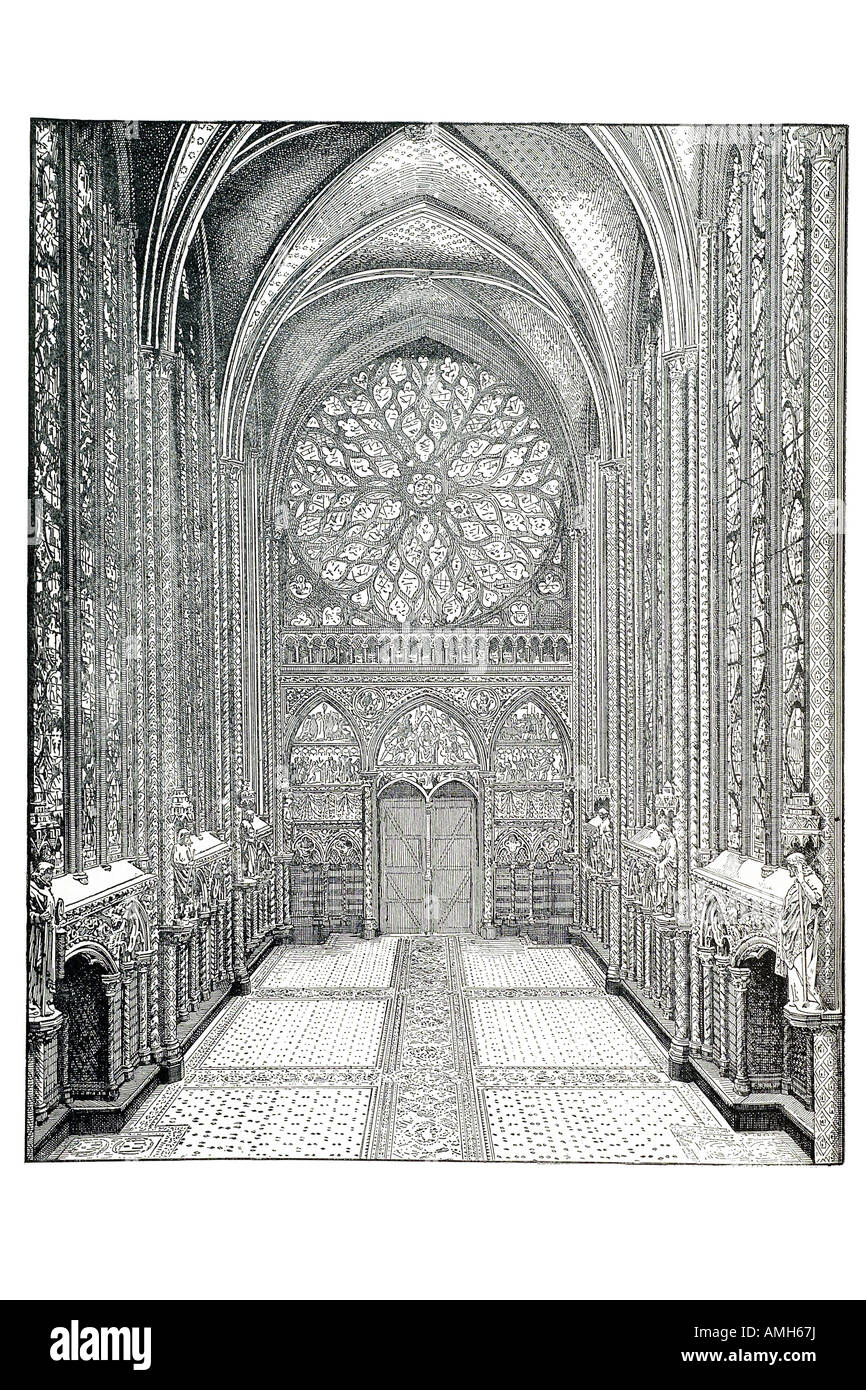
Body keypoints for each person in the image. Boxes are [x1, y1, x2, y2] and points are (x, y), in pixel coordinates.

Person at [779, 852, 824, 1012]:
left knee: (803, 964)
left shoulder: (812, 880)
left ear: (797, 866)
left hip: (805, 932)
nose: (789, 871)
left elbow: (816, 900)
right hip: (792, 931)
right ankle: (796, 999)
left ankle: (810, 999)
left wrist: (802, 882)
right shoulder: (794, 885)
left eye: (791, 868)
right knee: (793, 965)